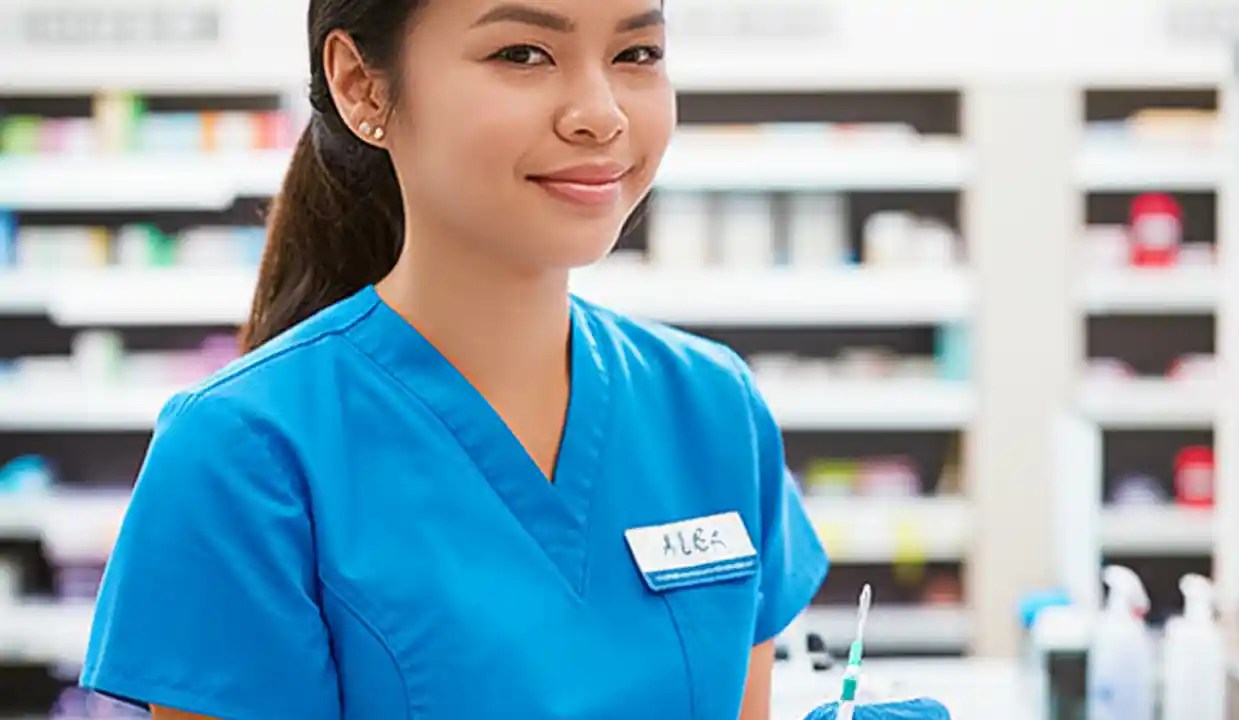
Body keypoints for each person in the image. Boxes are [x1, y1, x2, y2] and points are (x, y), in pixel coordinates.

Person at [76, 0, 904, 718]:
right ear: (363, 86)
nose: (601, 113)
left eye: (637, 53)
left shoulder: (712, 409)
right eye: (522, 53)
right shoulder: (245, 450)